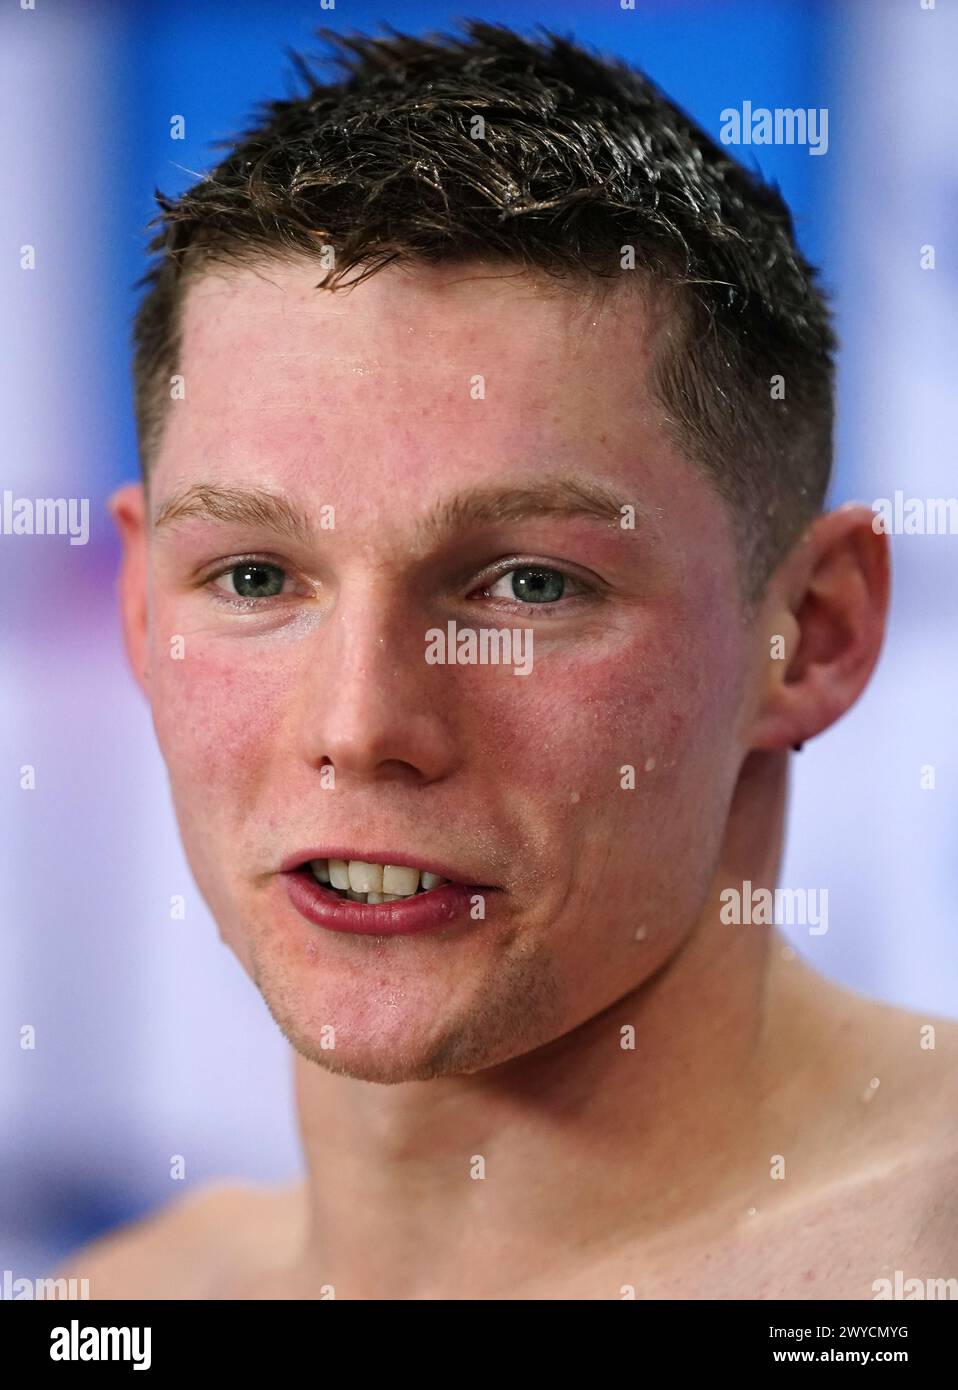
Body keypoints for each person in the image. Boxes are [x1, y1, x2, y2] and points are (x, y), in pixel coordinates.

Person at [54, 20, 956, 1299]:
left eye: (529, 583)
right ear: (145, 608)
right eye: (255, 576)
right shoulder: (122, 1304)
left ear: (812, 631)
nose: (362, 722)